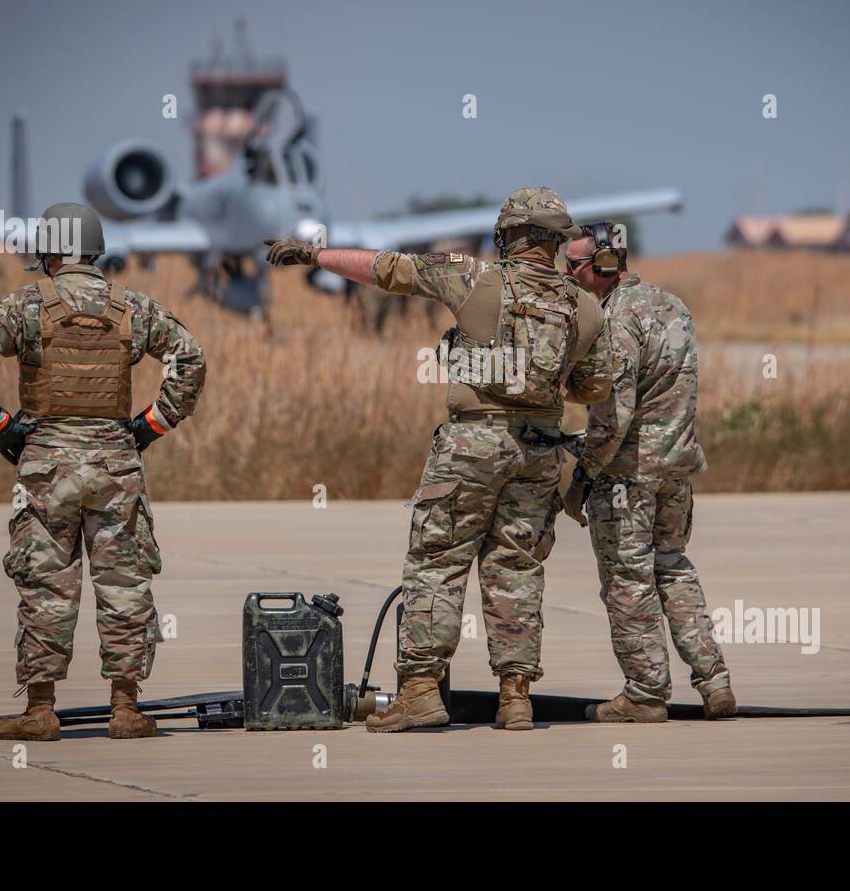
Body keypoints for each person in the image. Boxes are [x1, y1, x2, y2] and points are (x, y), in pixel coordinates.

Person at [265, 187, 612, 731]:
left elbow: (386, 269)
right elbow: (590, 389)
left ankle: (422, 691)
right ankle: (515, 698)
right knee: (516, 568)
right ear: (556, 241)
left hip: (471, 446)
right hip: (539, 453)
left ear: (512, 235)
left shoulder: (473, 278)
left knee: (437, 564)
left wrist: (313, 255)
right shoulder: (585, 306)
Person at [0, 203, 206, 741]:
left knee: (47, 586)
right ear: (95, 249)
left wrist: (0, 428)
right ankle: (125, 709)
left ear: (48, 252)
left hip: (46, 467)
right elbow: (190, 358)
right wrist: (149, 427)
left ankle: (41, 711)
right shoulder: (130, 306)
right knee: (124, 585)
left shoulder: (23, 306)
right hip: (116, 464)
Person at [561, 225, 736, 721]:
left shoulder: (615, 319)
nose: (566, 275)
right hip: (674, 467)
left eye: (574, 266)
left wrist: (582, 477)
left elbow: (613, 413)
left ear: (605, 266)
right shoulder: (670, 305)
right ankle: (714, 682)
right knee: (673, 568)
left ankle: (644, 694)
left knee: (627, 581)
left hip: (628, 476)